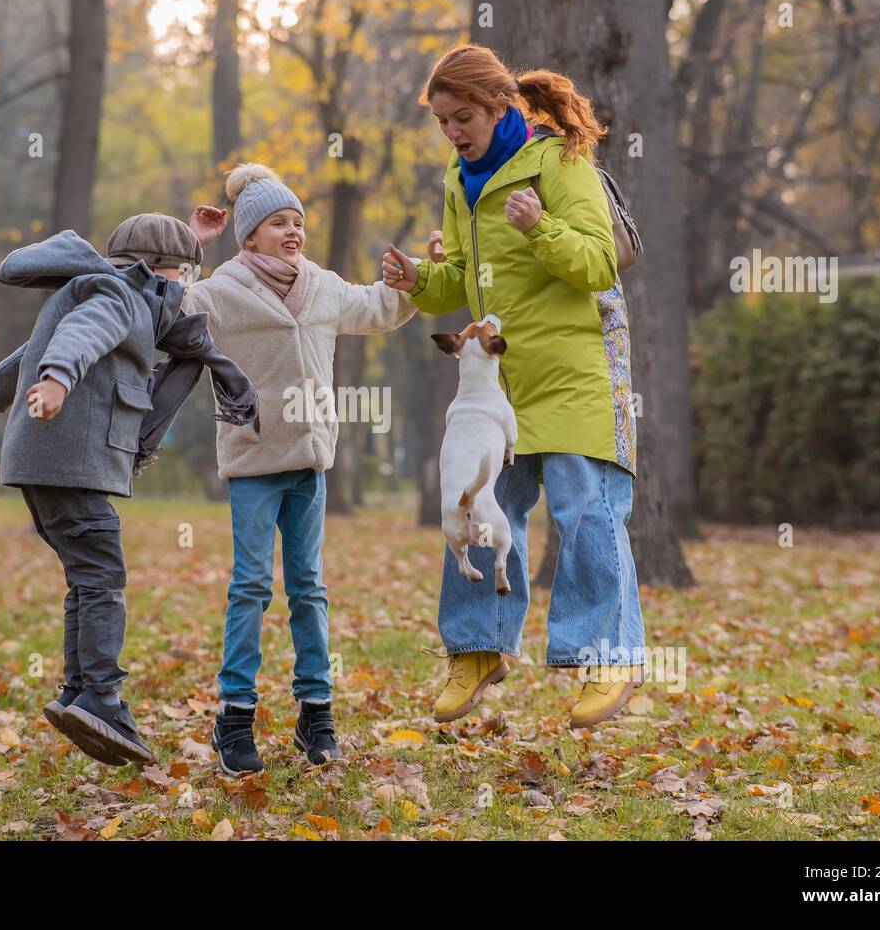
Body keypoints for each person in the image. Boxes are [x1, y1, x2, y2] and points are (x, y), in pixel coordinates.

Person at [382, 43, 646, 730]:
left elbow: (597, 263)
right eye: (442, 121)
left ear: (499, 103)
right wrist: (418, 277)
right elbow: (464, 279)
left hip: (575, 369)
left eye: (462, 116)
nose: (453, 132)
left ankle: (608, 657)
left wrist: (539, 228)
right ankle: (477, 647)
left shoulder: (559, 161)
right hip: (502, 383)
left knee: (583, 506)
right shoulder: (459, 180)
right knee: (477, 497)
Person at [0, 212, 256, 766]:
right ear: (166, 271)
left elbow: (22, 356)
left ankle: (77, 690)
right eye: (187, 274)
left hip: (46, 462)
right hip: (70, 460)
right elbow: (82, 333)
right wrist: (59, 378)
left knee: (86, 579)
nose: (187, 290)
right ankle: (102, 698)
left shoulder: (111, 286)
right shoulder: (119, 295)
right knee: (104, 577)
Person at [181, 162, 416, 774]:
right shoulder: (222, 290)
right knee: (252, 586)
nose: (293, 231)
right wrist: (190, 247)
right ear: (250, 234)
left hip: (310, 461)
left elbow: (379, 309)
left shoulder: (322, 284)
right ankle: (234, 718)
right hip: (255, 460)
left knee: (309, 588)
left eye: (298, 222)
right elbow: (169, 308)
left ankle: (317, 714)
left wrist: (415, 277)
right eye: (279, 222)